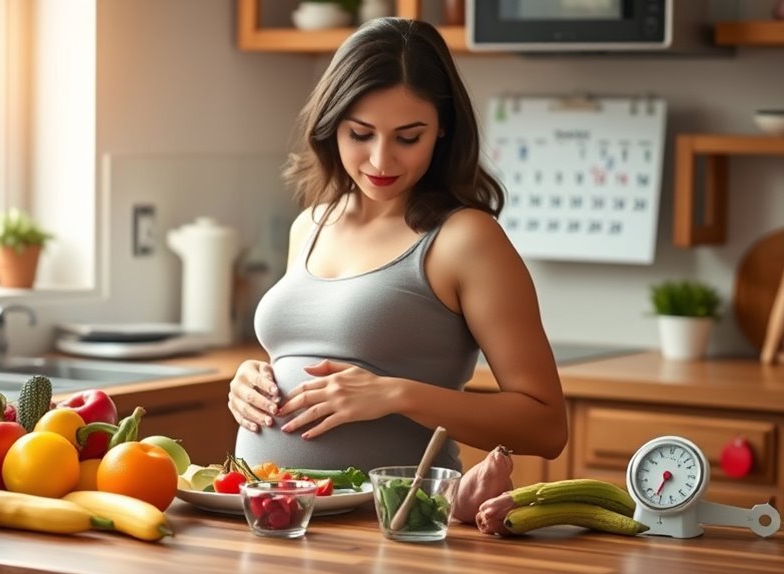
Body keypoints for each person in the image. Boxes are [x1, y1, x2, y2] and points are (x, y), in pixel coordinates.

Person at [228, 18, 567, 478]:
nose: (381, 160)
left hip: (392, 527)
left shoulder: (465, 238)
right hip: (272, 511)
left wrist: (396, 395)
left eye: (409, 137)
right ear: (331, 126)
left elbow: (546, 426)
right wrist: (252, 381)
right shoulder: (310, 223)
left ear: (442, 129)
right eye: (360, 134)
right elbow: (305, 361)